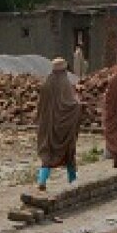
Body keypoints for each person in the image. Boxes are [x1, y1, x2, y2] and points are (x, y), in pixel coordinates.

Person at [35, 56, 83, 191]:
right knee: (68, 152)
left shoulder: (46, 84)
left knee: (48, 154)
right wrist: (79, 105)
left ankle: (42, 180)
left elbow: (41, 107)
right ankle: (72, 180)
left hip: (48, 127)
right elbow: (70, 105)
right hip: (63, 127)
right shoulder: (65, 84)